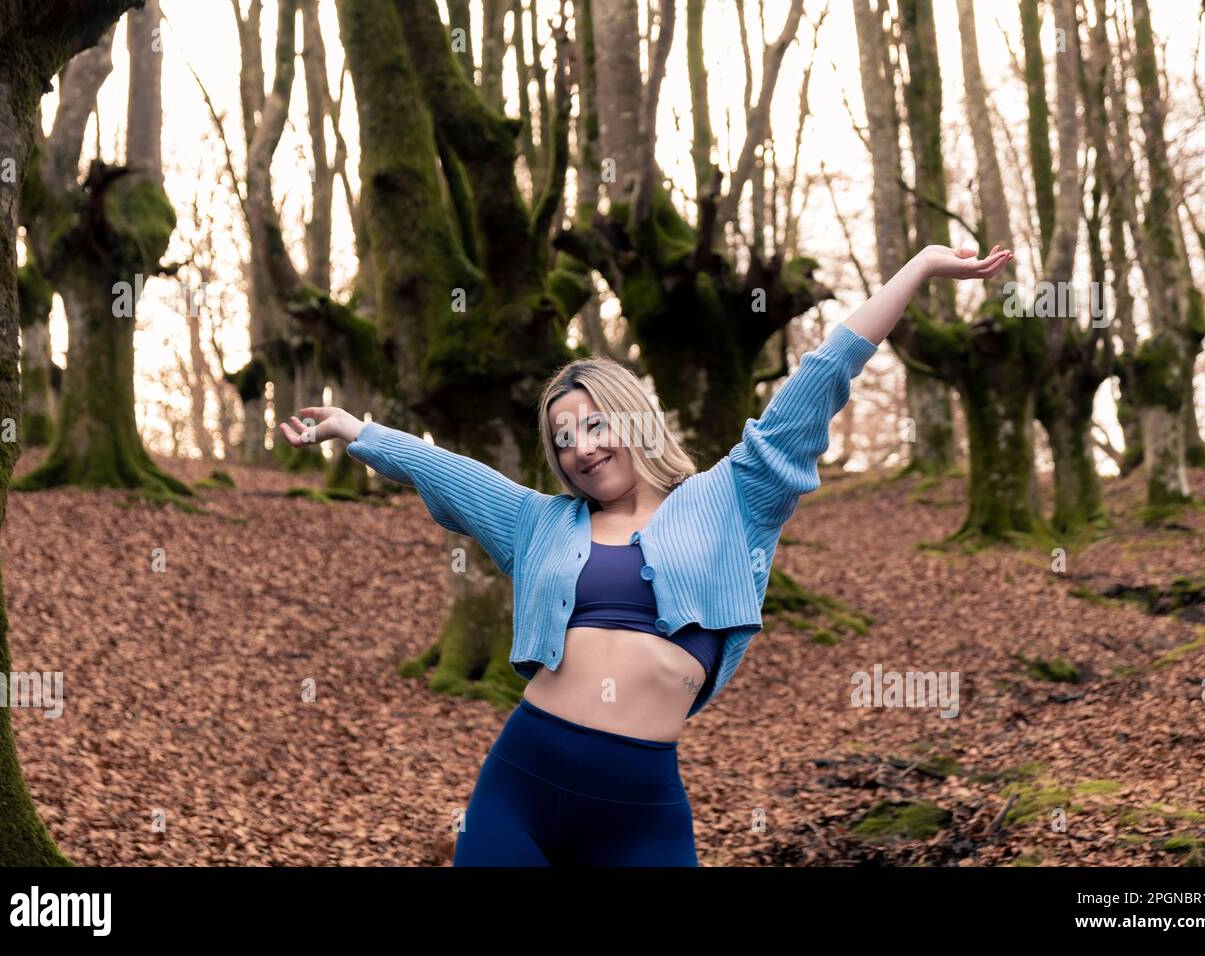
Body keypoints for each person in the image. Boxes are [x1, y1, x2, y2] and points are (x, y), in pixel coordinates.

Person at [278, 243, 1014, 866]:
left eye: (594, 425)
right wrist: (357, 430)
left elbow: (820, 378)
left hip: (642, 807)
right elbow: (451, 473)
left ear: (632, 418)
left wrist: (917, 268)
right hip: (521, 786)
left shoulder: (732, 497)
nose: (581, 449)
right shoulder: (543, 524)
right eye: (562, 439)